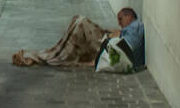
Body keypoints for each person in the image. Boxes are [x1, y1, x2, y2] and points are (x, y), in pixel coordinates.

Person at [12, 6, 144, 69]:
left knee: (81, 22)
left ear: (129, 17)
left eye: (121, 19)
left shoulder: (135, 27)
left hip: (108, 46)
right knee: (77, 21)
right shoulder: (132, 27)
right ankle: (50, 53)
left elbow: (125, 45)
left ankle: (47, 55)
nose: (119, 23)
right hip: (108, 42)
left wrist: (112, 35)